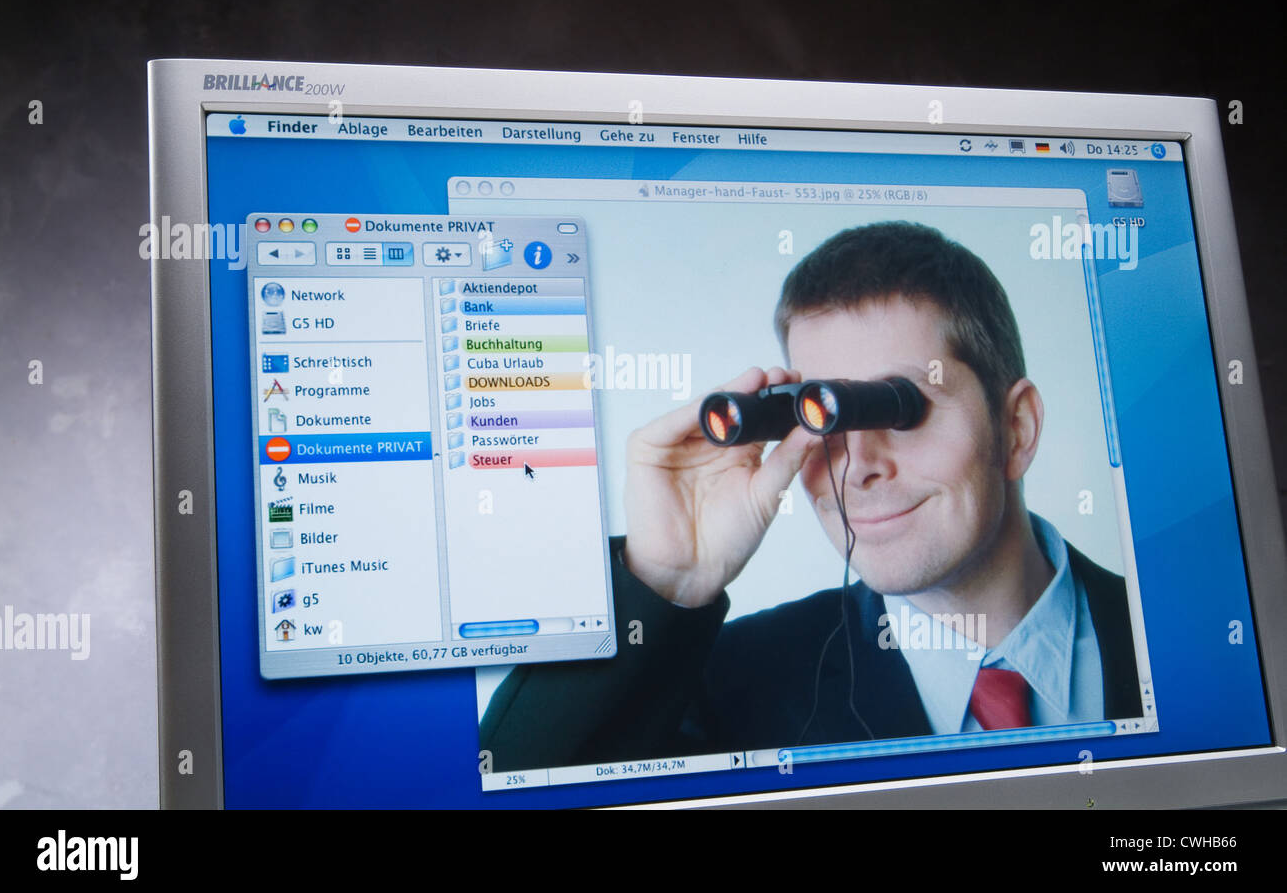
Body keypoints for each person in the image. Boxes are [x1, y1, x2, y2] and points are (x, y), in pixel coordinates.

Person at [479, 220, 1143, 771]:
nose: (859, 467)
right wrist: (664, 582)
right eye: (822, 416)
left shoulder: (1168, 636)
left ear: (1017, 429)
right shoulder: (733, 686)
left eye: (901, 405)